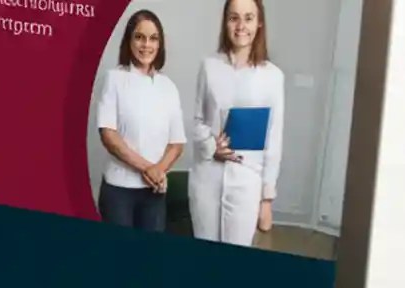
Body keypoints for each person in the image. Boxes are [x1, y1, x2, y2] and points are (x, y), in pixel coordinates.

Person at [190, 0, 285, 246]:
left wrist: (267, 199)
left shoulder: (273, 77)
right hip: (206, 179)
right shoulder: (209, 66)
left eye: (248, 18)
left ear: (260, 23)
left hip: (247, 181)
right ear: (225, 22)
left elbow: (273, 140)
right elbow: (198, 120)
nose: (241, 26)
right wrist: (212, 147)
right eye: (234, 18)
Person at [95, 10, 186, 232]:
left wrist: (158, 171)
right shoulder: (114, 78)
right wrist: (149, 169)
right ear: (129, 40)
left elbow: (177, 143)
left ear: (160, 44)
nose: (146, 45)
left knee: (150, 263)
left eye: (153, 38)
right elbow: (108, 135)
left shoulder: (168, 87)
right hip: (119, 191)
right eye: (139, 37)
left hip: (154, 192)